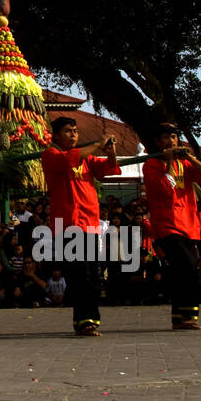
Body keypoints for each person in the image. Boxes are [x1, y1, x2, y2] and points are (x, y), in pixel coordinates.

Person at [41, 118, 119, 336]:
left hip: (89, 222)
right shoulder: (51, 155)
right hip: (67, 223)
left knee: (92, 273)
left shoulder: (87, 158)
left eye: (75, 131)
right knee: (78, 274)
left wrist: (110, 150)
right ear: (55, 135)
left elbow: (109, 168)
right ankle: (85, 320)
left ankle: (87, 319)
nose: (73, 135)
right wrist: (97, 144)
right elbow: (69, 160)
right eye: (68, 131)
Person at [142, 123, 201, 330]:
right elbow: (165, 188)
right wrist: (171, 162)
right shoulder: (152, 164)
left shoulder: (186, 163)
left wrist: (190, 157)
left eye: (174, 137)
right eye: (166, 138)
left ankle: (181, 316)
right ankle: (187, 314)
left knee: (184, 269)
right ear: (158, 142)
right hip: (167, 224)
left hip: (188, 223)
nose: (171, 141)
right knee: (188, 266)